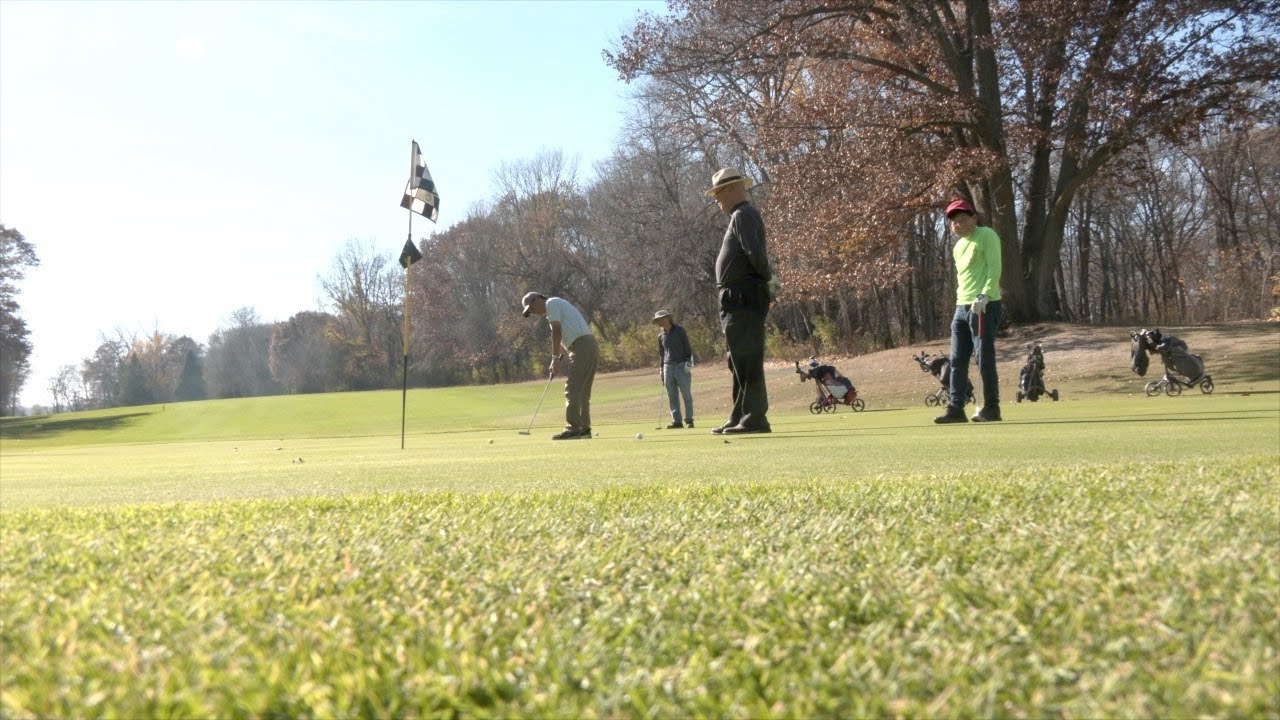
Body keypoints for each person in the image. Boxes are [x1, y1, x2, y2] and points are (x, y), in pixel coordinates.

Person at [705, 168, 775, 434]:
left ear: (733, 189)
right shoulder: (739, 216)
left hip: (744, 295)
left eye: (719, 193)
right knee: (736, 360)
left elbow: (757, 256)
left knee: (747, 358)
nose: (716, 200)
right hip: (735, 298)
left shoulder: (744, 215)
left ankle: (755, 418)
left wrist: (770, 286)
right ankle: (739, 415)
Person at [935, 199, 1003, 424]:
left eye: (962, 219)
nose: (958, 225)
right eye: (954, 222)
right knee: (956, 360)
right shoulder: (958, 246)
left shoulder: (986, 235)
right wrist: (961, 304)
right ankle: (956, 409)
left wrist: (985, 294)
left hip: (984, 305)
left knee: (983, 358)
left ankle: (992, 409)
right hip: (961, 307)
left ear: (974, 218)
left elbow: (994, 268)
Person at [521, 292, 598, 440]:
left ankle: (573, 428)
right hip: (587, 345)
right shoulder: (554, 308)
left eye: (532, 307)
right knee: (582, 391)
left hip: (582, 346)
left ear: (539, 299)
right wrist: (558, 359)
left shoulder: (552, 303)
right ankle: (584, 428)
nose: (533, 312)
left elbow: (556, 332)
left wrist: (554, 359)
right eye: (530, 312)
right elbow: (562, 338)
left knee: (572, 388)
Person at [652, 309, 694, 429]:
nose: (658, 322)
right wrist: (661, 369)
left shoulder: (680, 331)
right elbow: (662, 354)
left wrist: (688, 363)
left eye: (660, 319)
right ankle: (677, 421)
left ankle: (689, 420)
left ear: (667, 319)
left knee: (686, 394)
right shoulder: (661, 336)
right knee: (672, 395)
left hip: (681, 365)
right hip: (667, 367)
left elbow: (687, 348)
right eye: (657, 320)